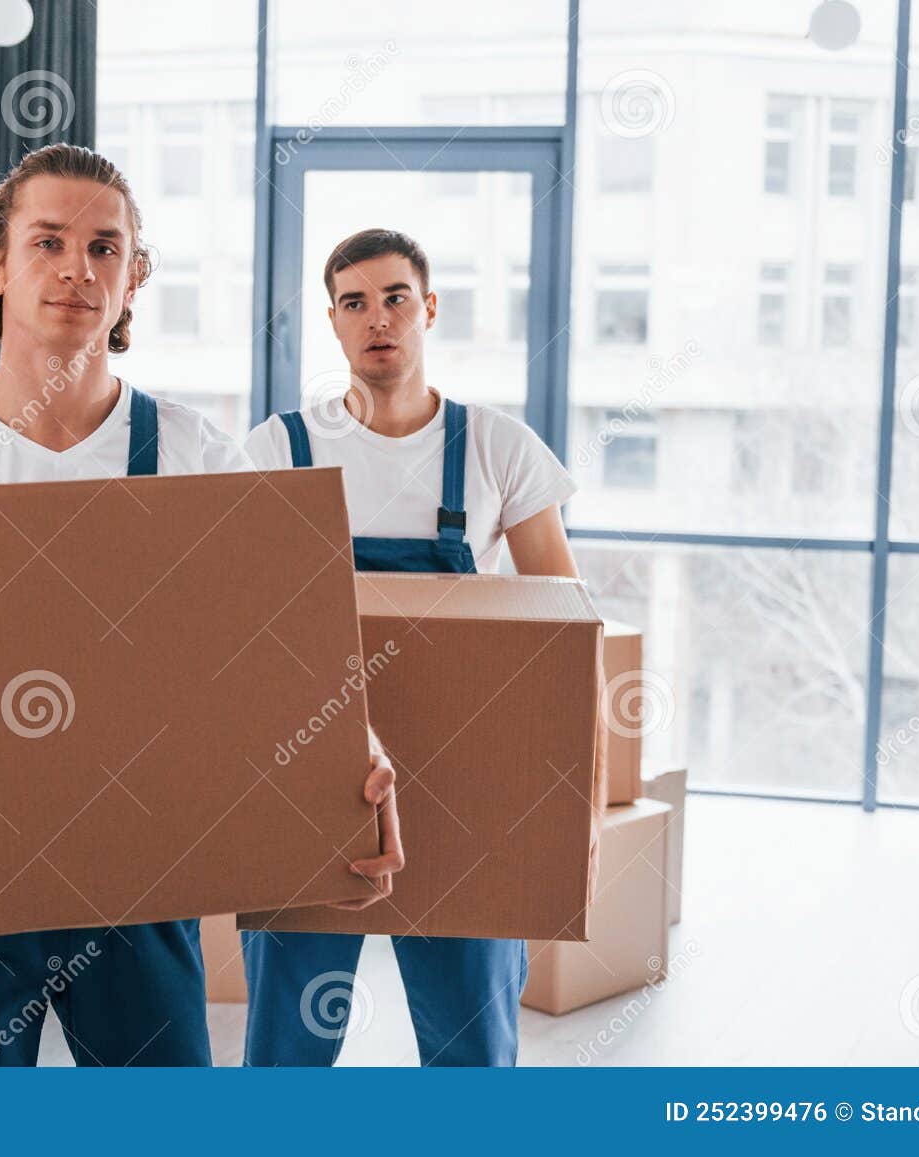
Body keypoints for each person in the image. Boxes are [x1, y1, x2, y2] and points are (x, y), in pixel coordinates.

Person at [0, 145, 404, 1067]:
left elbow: (289, 656)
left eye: (106, 248)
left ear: (134, 278)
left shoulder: (200, 459)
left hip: (143, 896)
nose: (79, 268)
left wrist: (355, 772)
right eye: (48, 242)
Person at [240, 227, 595, 1067]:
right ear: (333, 323)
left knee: (471, 1053)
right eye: (355, 303)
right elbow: (239, 639)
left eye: (396, 297)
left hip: (469, 792)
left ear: (428, 308)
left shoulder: (497, 448)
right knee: (287, 1051)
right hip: (311, 791)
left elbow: (564, 633)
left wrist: (582, 803)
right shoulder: (277, 452)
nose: (378, 319)